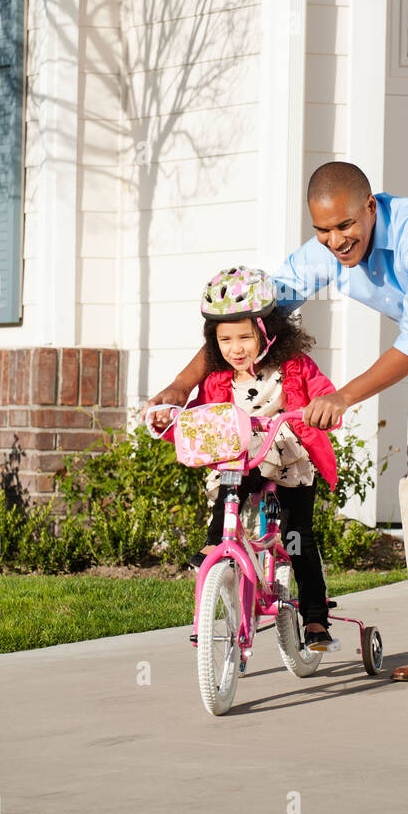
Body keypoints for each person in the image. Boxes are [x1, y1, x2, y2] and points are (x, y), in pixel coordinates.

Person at [144, 164, 408, 681]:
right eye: (323, 230)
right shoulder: (323, 253)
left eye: (345, 226)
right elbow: (250, 317)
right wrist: (183, 385)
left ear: (371, 207)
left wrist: (341, 397)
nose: (336, 241)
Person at [150, 266, 339, 650]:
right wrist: (169, 415)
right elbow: (203, 420)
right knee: (229, 473)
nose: (235, 348)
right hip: (241, 462)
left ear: (266, 333)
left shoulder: (293, 366)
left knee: (297, 537)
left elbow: (322, 390)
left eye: (244, 337)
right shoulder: (219, 379)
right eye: (225, 340)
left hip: (287, 459)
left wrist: (325, 405)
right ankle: (218, 541)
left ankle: (316, 620)